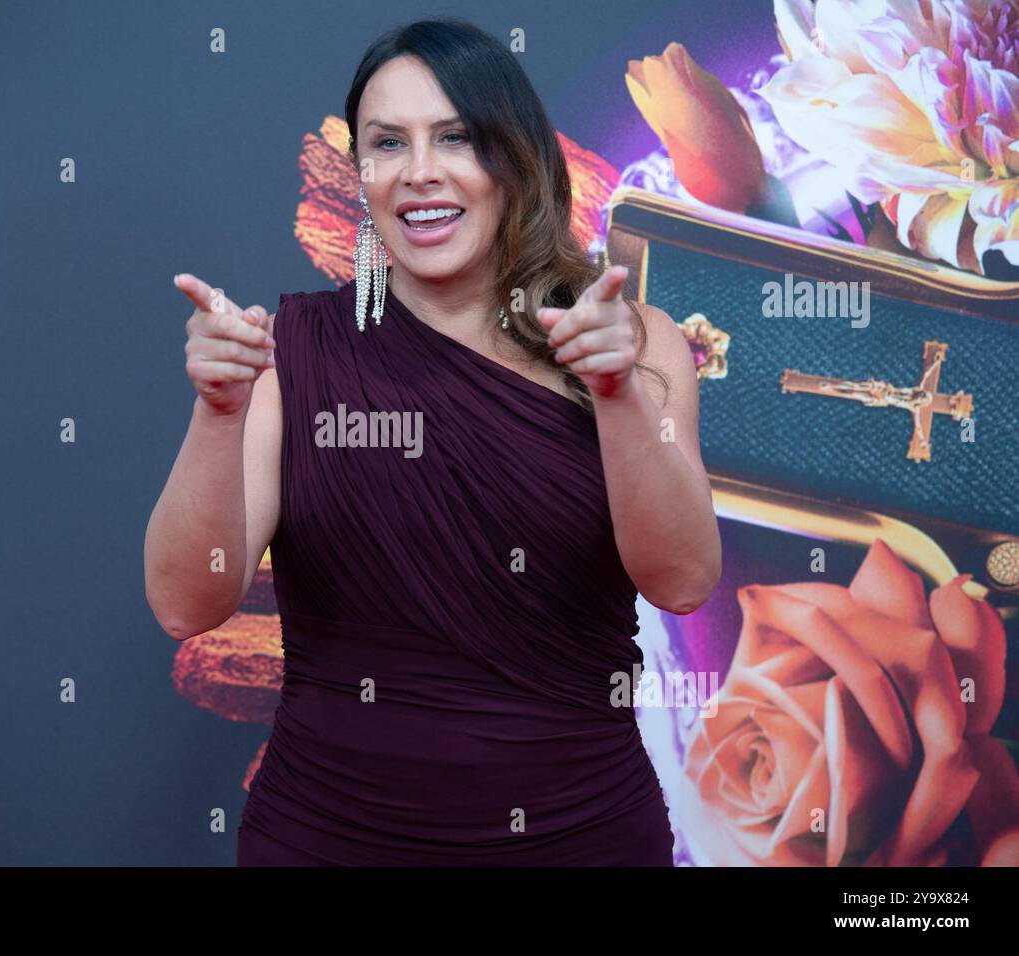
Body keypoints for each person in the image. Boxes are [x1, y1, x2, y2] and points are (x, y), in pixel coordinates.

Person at [145, 18, 721, 866]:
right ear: (362, 175)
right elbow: (185, 605)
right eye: (387, 144)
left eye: (456, 137)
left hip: (577, 837)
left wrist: (616, 395)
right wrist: (219, 413)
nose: (420, 171)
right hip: (330, 839)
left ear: (514, 158)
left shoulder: (638, 345)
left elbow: (682, 580)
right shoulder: (291, 354)